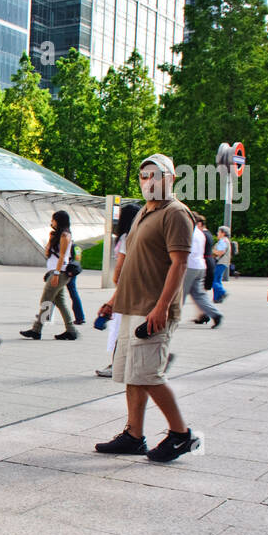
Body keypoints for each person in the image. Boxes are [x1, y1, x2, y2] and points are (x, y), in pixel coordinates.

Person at [93, 153, 200, 462]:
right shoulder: (144, 212)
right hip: (131, 306)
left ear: (171, 177)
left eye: (156, 176)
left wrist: (162, 307)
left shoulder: (176, 213)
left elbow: (179, 265)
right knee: (131, 373)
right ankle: (134, 435)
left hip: (153, 309)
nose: (149, 182)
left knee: (149, 373)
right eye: (144, 177)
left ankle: (181, 434)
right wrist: (114, 300)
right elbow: (134, 262)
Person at [96, 202, 140, 377]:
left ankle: (117, 365)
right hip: (142, 286)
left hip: (127, 288)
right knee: (132, 327)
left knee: (120, 329)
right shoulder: (142, 235)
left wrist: (113, 297)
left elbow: (119, 268)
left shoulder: (126, 238)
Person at [19, 210, 79, 340]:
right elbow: (47, 253)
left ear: (59, 221)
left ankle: (37, 329)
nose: (51, 222)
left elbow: (62, 256)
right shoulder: (57, 235)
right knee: (60, 302)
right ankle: (71, 330)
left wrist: (56, 274)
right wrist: (51, 238)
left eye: (53, 220)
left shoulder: (65, 235)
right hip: (54, 272)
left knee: (45, 300)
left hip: (60, 272)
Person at [182, 214, 222, 328]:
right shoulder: (200, 233)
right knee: (199, 294)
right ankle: (215, 313)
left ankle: (170, 317)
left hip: (190, 266)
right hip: (201, 266)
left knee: (179, 294)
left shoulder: (190, 232)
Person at [212, 225, 232, 302]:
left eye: (219, 232)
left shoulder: (223, 241)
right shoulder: (226, 240)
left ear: (223, 233)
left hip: (220, 262)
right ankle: (217, 298)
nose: (217, 233)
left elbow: (220, 252)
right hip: (223, 262)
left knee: (214, 280)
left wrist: (212, 251)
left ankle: (223, 292)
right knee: (217, 280)